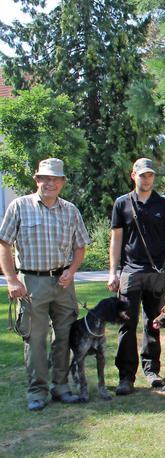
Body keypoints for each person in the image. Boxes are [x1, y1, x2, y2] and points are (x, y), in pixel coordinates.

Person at [0, 158, 91, 411]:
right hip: (31, 284)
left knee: (64, 337)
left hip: (63, 284)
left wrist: (71, 271)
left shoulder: (71, 210)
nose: (50, 183)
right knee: (35, 339)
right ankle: (37, 391)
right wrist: (11, 279)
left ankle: (61, 386)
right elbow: (4, 244)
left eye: (55, 179)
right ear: (36, 179)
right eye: (45, 178)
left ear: (62, 182)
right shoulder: (19, 206)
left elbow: (80, 246)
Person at [108, 158, 165, 394]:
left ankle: (152, 371)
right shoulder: (122, 203)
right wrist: (113, 272)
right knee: (126, 324)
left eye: (150, 175)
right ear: (133, 176)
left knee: (154, 323)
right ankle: (126, 377)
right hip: (130, 272)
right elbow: (116, 240)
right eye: (142, 175)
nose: (147, 179)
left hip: (157, 273)